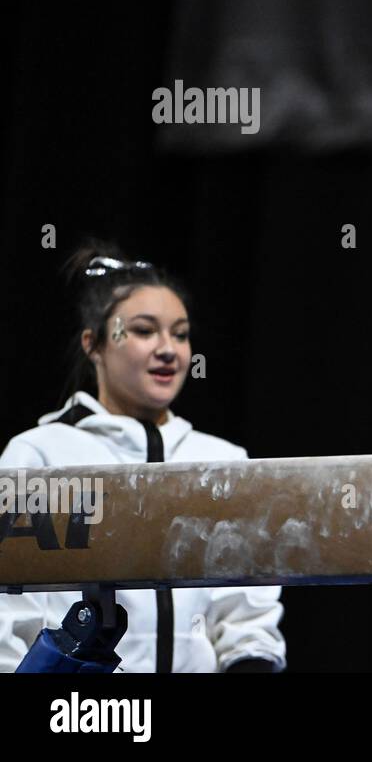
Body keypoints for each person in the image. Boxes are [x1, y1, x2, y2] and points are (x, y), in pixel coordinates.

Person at [0, 242, 287, 673]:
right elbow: (9, 616)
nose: (168, 348)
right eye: (143, 330)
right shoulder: (40, 455)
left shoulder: (223, 461)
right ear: (93, 343)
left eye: (181, 333)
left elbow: (246, 616)